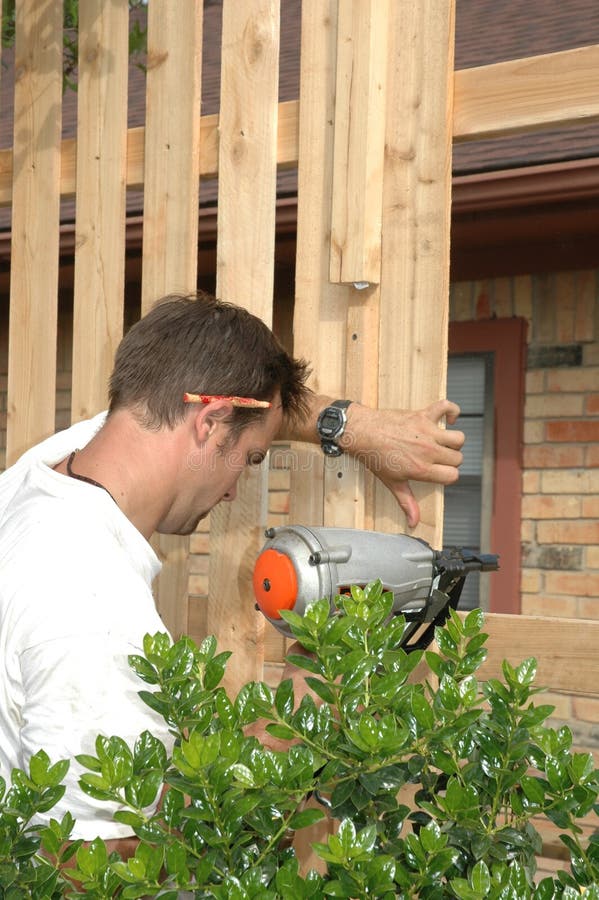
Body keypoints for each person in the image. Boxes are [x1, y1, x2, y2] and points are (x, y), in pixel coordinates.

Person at [0, 292, 464, 845]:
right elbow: (88, 868)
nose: (234, 489)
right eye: (250, 459)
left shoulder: (39, 475)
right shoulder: (97, 610)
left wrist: (350, 426)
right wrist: (288, 728)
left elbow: (237, 407)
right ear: (209, 422)